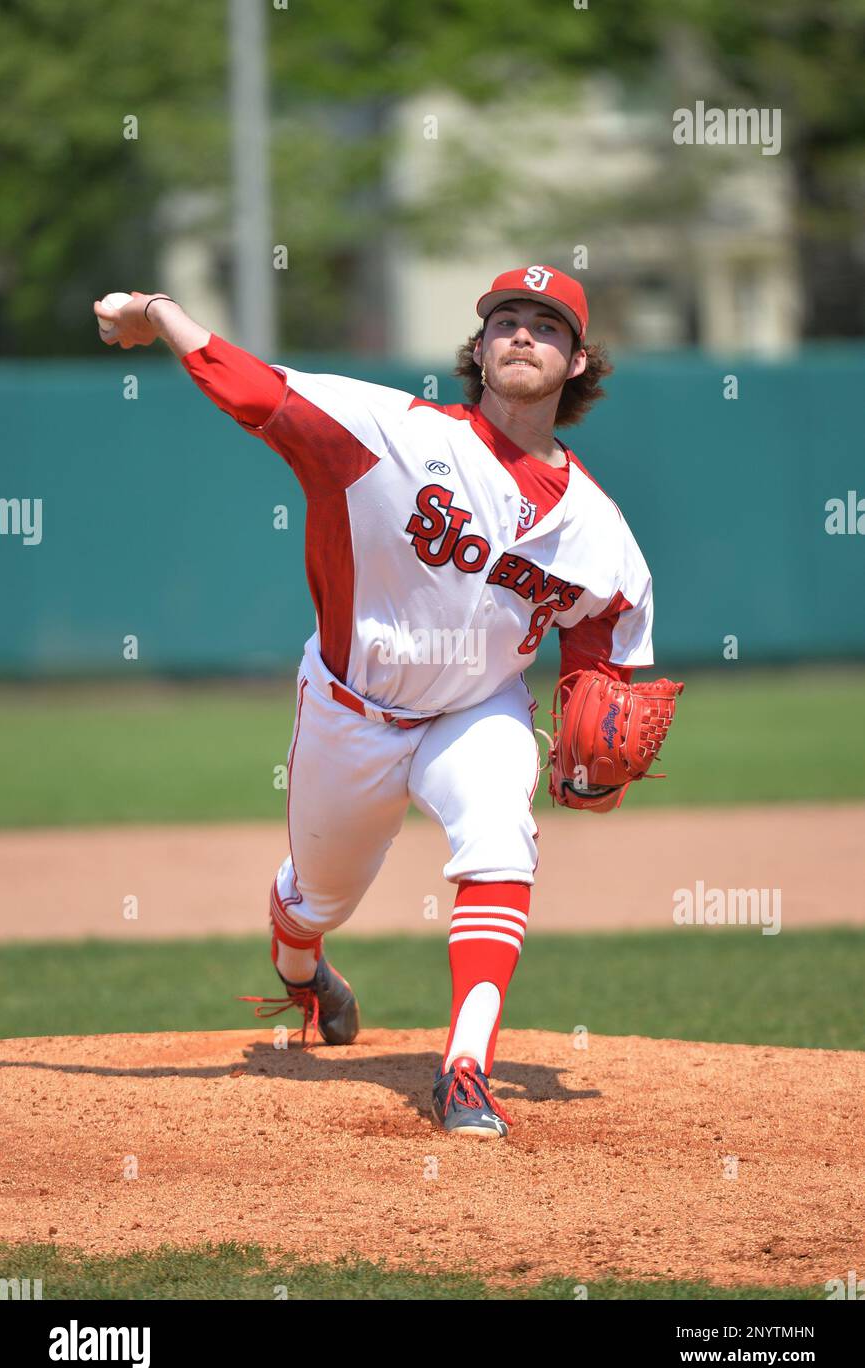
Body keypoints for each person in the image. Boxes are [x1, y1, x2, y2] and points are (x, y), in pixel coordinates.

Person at [93, 266, 655, 1139]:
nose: (521, 335)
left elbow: (599, 647)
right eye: (506, 319)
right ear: (477, 348)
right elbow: (257, 392)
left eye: (547, 328)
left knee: (500, 835)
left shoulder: (601, 533)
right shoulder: (391, 432)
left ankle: (464, 1069)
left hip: (479, 708)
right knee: (318, 898)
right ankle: (303, 968)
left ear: (578, 363)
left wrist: (597, 744)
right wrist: (160, 312)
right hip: (352, 708)